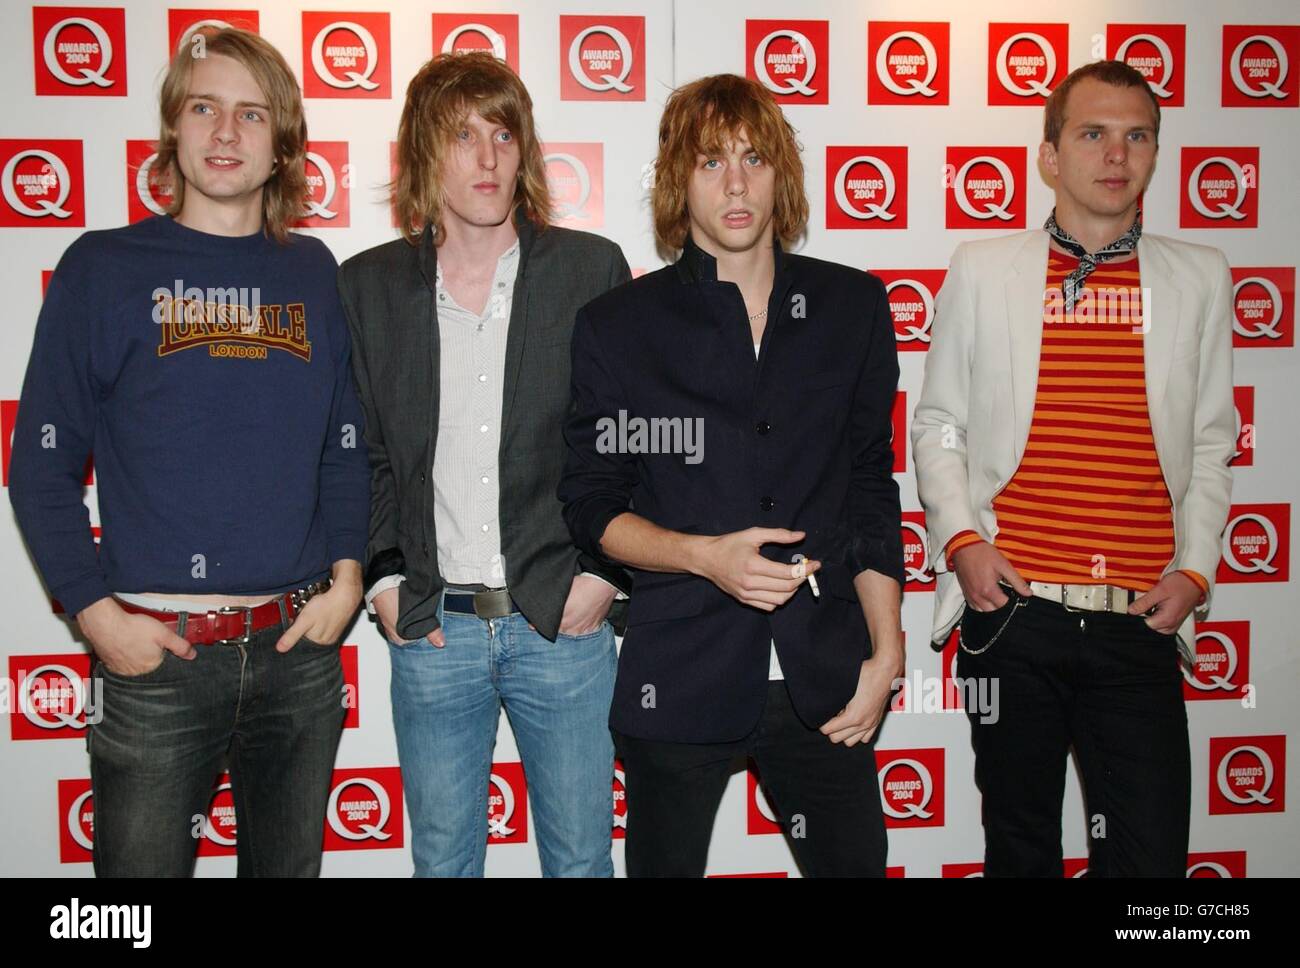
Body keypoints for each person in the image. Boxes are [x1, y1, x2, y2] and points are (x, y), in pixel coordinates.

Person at [8, 27, 370, 876]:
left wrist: (349, 577)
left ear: (282, 146)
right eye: (204, 107)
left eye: (251, 114)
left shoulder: (314, 271)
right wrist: (96, 617)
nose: (224, 133)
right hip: (154, 662)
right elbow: (40, 465)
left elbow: (344, 446)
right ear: (172, 127)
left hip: (296, 654)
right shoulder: (101, 267)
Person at [560, 73, 905, 878]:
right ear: (680, 180)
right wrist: (704, 557)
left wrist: (886, 654)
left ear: (782, 171)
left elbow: (870, 487)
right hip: (678, 676)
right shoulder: (620, 327)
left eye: (754, 158)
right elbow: (591, 504)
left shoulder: (851, 306)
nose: (737, 183)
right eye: (711, 162)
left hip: (825, 680)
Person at [911, 60, 1235, 876]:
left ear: (1157, 154)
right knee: (1018, 852)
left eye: (1137, 136)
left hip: (1141, 625)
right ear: (1050, 155)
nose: (1116, 154)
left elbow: (1209, 441)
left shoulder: (1199, 278)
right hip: (1018, 616)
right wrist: (963, 544)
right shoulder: (984, 269)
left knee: (1151, 863)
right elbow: (940, 423)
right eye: (1092, 133)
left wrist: (1197, 569)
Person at [338, 52, 631, 878]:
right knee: (443, 863)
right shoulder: (366, 286)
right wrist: (388, 583)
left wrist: (606, 572)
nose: (488, 156)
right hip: (434, 629)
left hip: (561, 625)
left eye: (504, 133)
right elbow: (363, 453)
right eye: (463, 135)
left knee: (581, 861)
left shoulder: (589, 270)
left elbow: (626, 437)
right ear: (425, 151)